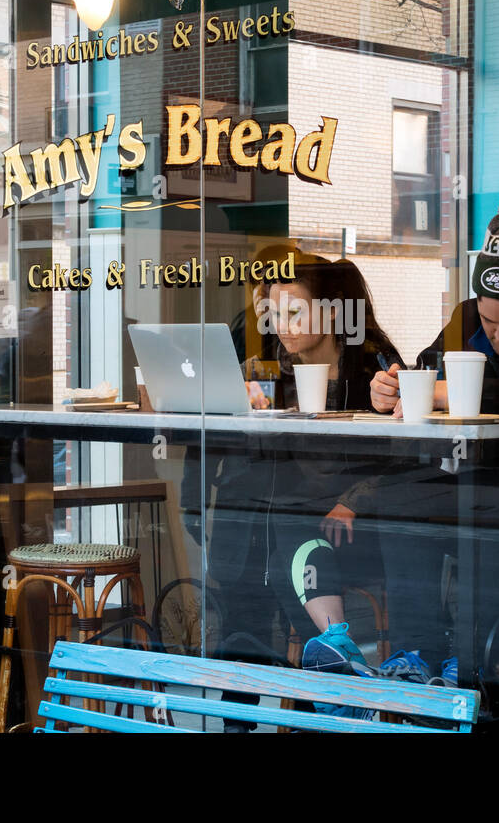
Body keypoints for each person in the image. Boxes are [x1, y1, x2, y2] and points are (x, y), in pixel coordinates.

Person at [328, 190, 499, 690]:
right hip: (470, 484)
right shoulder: (463, 318)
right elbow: (425, 371)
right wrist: (393, 388)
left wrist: (463, 392)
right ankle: (415, 656)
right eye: (490, 322)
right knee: (401, 504)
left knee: (486, 521)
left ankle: (478, 672)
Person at [181, 254, 404, 721]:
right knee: (255, 569)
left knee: (283, 551)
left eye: (295, 312)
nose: (281, 325)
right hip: (282, 527)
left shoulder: (374, 370)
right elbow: (212, 443)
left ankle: (326, 690)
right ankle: (306, 691)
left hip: (351, 528)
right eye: (275, 313)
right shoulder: (265, 368)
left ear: (334, 310)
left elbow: (405, 458)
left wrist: (353, 501)